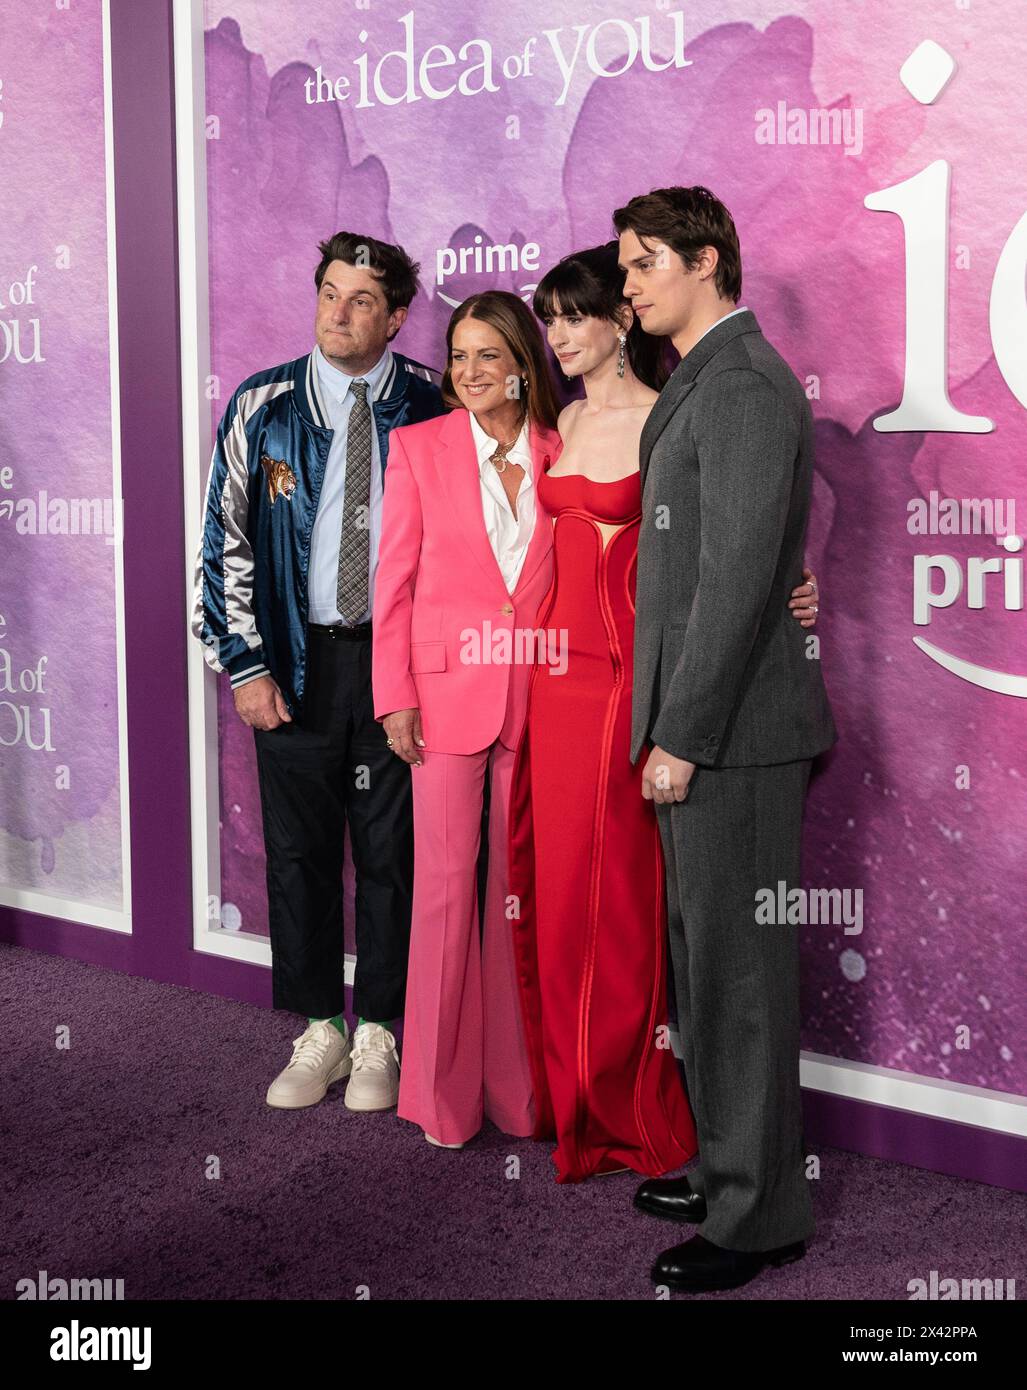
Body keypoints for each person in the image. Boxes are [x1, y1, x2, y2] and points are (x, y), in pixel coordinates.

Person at [507, 243, 820, 1183]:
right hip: (558, 685)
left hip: (640, 691)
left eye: (577, 311)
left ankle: (658, 1127)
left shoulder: (706, 396)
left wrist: (790, 589)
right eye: (548, 316)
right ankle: (600, 1112)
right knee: (581, 906)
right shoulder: (566, 419)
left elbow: (732, 554)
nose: (556, 333)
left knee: (655, 925)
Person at [614, 185, 837, 1293]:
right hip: (711, 729)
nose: (629, 284)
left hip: (733, 739)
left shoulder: (742, 384)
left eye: (645, 261)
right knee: (706, 966)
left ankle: (757, 1218)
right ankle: (723, 1168)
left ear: (706, 260)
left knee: (740, 979)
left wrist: (682, 735)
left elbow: (739, 578)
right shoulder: (701, 379)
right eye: (624, 266)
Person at [192, 232, 446, 1112]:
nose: (338, 314)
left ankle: (379, 1028)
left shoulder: (432, 403)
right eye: (329, 294)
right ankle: (318, 1028)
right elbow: (223, 542)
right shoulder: (261, 403)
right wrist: (246, 665)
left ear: (397, 317)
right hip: (295, 665)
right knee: (298, 851)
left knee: (392, 853)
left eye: (362, 300)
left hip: (397, 667)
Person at [371, 292, 561, 1148]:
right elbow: (394, 584)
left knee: (517, 901)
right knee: (444, 897)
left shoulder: (568, 451)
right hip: (443, 699)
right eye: (459, 356)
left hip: (540, 698)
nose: (471, 371)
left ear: (523, 361)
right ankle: (438, 1101)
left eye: (489, 354)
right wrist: (395, 696)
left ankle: (518, 1099)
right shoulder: (417, 448)